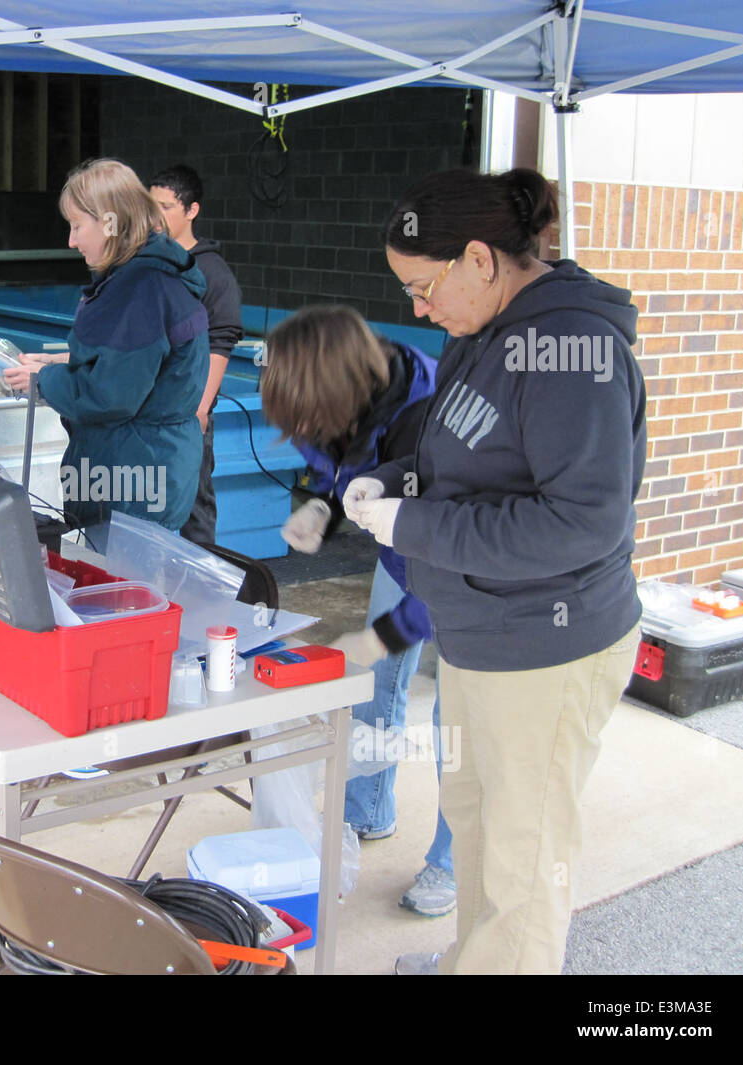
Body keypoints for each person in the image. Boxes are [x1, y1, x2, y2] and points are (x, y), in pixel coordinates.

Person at [348, 167, 645, 974]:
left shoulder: (573, 351)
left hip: (548, 648)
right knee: (475, 823)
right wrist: (399, 480)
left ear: (480, 259)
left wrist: (417, 523)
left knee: (524, 865)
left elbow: (581, 522)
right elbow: (472, 460)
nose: (417, 308)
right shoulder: (483, 329)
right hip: (482, 632)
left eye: (421, 285)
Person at [263, 305, 455, 917]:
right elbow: (342, 464)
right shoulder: (340, 401)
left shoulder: (430, 421)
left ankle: (453, 862)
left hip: (460, 571)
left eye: (305, 420)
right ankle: (366, 812)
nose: (299, 432)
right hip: (402, 553)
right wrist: (324, 505)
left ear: (339, 394)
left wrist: (384, 635)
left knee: (462, 727)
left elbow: (453, 580)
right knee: (373, 690)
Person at [3, 158, 209, 535]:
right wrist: (68, 359)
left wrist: (46, 378)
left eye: (77, 225)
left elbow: (110, 396)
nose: (71, 240)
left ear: (110, 222)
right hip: (148, 468)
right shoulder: (149, 280)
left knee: (126, 591)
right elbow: (140, 364)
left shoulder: (138, 292)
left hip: (134, 482)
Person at [148, 165, 244, 545]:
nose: (156, 217)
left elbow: (221, 343)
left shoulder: (212, 274)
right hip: (144, 410)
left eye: (166, 207)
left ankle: (203, 593)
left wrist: (199, 412)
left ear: (192, 211)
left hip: (184, 414)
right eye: (150, 206)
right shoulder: (150, 263)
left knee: (193, 508)